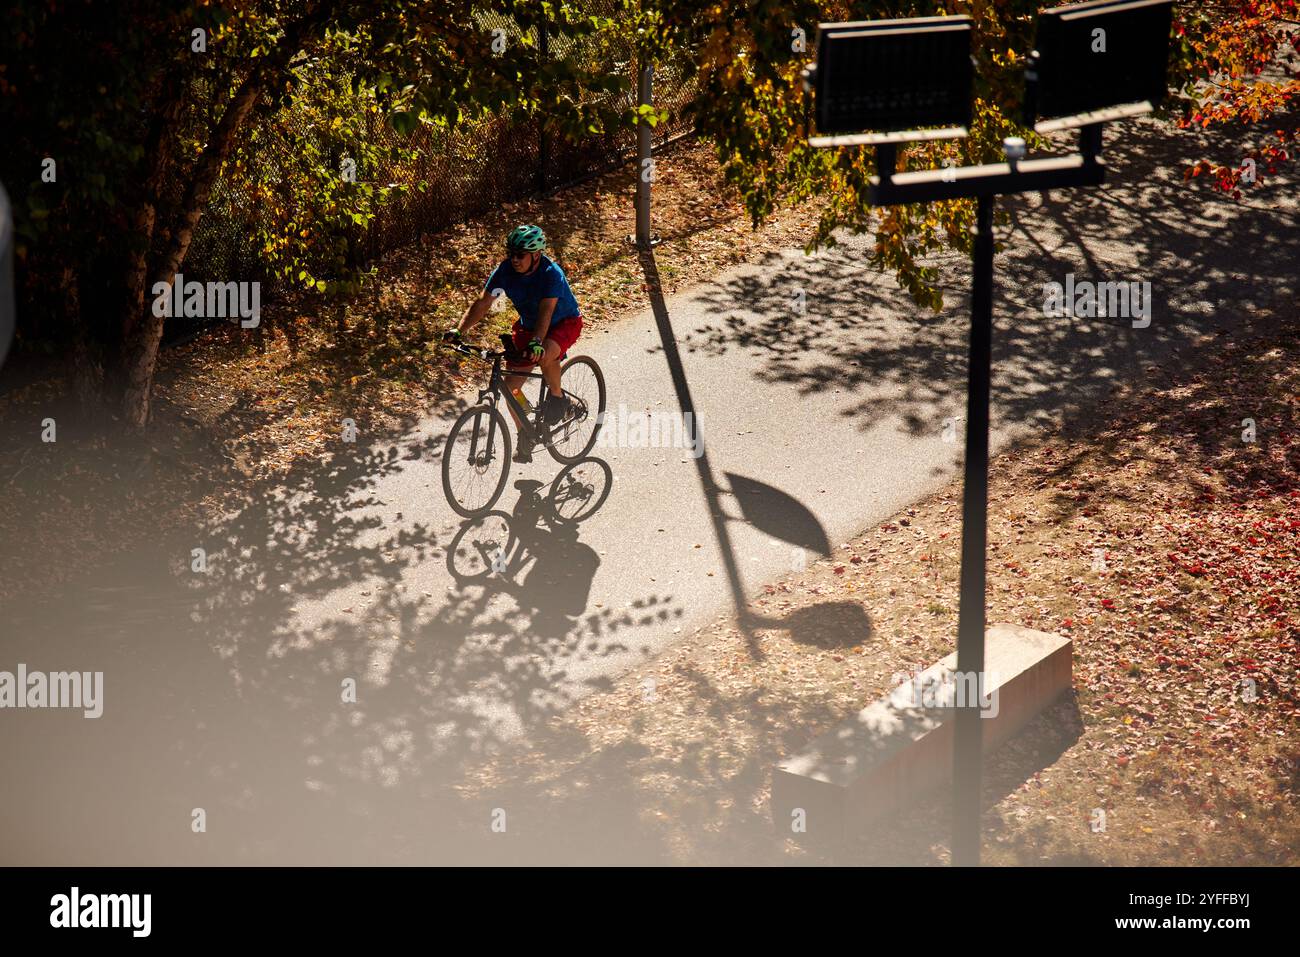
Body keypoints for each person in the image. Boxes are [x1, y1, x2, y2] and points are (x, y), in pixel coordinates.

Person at [444, 224, 584, 463]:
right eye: (511, 254)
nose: (515, 259)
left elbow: (546, 311)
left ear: (536, 255)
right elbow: (483, 303)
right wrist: (459, 330)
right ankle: (525, 434)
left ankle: (559, 398)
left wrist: (538, 342)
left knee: (545, 354)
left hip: (563, 323)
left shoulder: (551, 274)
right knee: (510, 387)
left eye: (521, 255)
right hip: (529, 326)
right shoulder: (505, 272)